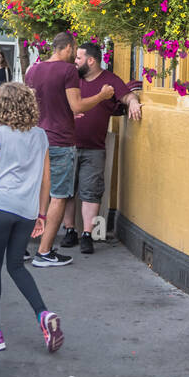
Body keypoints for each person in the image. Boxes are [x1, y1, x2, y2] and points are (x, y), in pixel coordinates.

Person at [0, 81, 62, 353]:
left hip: (2, 206)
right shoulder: (41, 135)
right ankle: (42, 313)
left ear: (1, 107)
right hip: (28, 210)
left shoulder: (1, 133)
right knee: (16, 265)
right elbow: (46, 179)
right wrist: (41, 214)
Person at [24, 32, 113, 268]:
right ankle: (44, 252)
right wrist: (102, 96)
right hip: (60, 142)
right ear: (69, 47)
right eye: (74, 50)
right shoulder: (68, 71)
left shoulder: (33, 70)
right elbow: (77, 104)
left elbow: (36, 105)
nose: (75, 57)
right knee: (59, 196)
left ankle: (21, 246)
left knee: (34, 194)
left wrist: (67, 112)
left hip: (35, 140)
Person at [61, 43, 141, 254]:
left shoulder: (110, 80)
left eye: (78, 58)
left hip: (95, 147)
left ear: (91, 60)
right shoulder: (72, 79)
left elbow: (126, 95)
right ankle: (69, 230)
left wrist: (133, 102)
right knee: (67, 190)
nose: (75, 61)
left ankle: (87, 234)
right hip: (67, 145)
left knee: (91, 191)